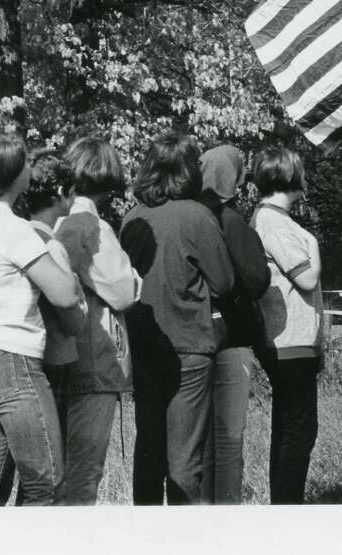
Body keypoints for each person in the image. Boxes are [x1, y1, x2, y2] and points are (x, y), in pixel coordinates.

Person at [0, 132, 82, 506]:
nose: (31, 167)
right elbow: (64, 294)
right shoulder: (14, 229)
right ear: (12, 175)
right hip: (12, 363)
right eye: (25, 162)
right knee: (47, 486)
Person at [120, 131, 234, 505]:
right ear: (188, 171)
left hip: (143, 347)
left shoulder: (131, 219)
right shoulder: (198, 216)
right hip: (189, 347)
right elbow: (224, 281)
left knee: (149, 454)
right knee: (185, 462)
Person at [52, 136, 141, 505]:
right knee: (84, 476)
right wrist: (137, 277)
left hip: (60, 359)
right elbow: (122, 291)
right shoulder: (93, 228)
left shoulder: (55, 223)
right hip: (94, 359)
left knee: (58, 474)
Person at [252, 146, 324, 505]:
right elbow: (308, 277)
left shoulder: (275, 220)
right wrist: (312, 243)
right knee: (299, 431)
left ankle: (283, 506)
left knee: (289, 429)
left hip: (294, 340)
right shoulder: (273, 223)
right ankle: (287, 510)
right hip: (288, 340)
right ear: (290, 178)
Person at [198, 144, 269, 504]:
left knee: (201, 440)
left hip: (193, 336)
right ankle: (226, 514)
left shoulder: (190, 214)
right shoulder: (229, 219)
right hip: (230, 335)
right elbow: (257, 278)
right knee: (228, 439)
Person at [18, 149, 87, 386]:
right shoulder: (51, 246)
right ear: (60, 193)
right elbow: (72, 320)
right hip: (56, 356)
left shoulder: (21, 236)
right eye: (72, 192)